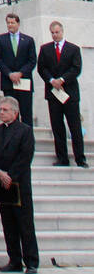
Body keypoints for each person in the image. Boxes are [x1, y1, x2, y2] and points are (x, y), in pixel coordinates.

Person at [0, 94, 39, 274]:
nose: (1, 113)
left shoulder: (25, 131)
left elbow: (25, 157)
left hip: (19, 184)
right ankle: (14, 260)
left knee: (25, 223)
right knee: (8, 223)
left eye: (5, 110)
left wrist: (10, 175)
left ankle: (31, 261)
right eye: (0, 110)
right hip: (2, 183)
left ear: (15, 113)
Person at [37, 20, 87, 167]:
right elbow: (42, 68)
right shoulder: (45, 49)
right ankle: (62, 158)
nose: (55, 35)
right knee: (57, 127)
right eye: (52, 33)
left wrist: (62, 79)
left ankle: (80, 158)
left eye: (57, 32)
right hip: (53, 93)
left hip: (69, 93)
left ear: (62, 31)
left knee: (75, 126)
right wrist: (52, 80)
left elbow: (76, 68)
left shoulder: (73, 49)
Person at [0, 13, 37, 128]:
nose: (10, 25)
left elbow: (32, 60)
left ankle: (27, 142)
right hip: (9, 82)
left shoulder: (28, 40)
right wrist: (9, 73)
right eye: (8, 23)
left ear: (18, 23)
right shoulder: (1, 39)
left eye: (12, 22)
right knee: (10, 115)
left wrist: (21, 73)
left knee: (26, 114)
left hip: (24, 82)